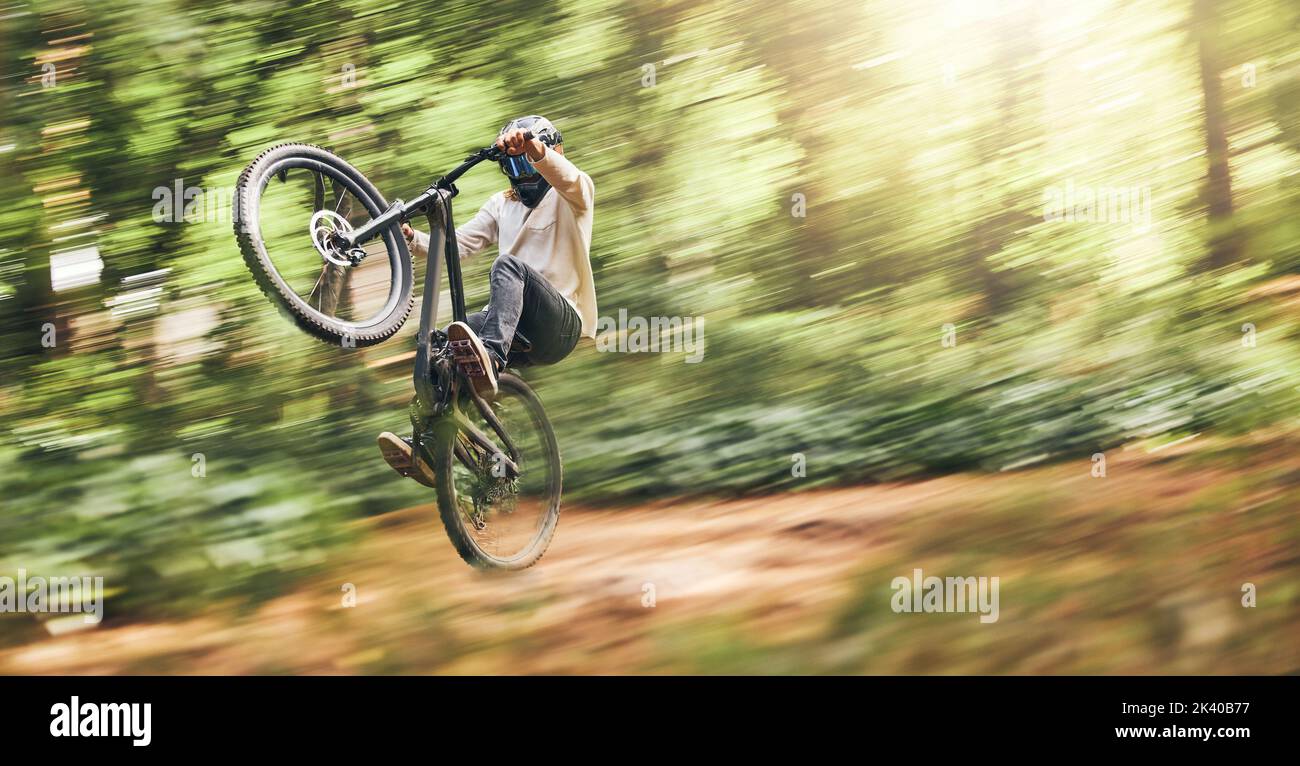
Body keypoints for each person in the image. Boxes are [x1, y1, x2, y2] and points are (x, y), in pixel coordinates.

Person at [377, 115, 597, 486]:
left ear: (551, 152)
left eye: (526, 161)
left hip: (559, 325)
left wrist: (532, 147)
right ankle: (435, 446)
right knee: (441, 341)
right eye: (513, 164)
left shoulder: (573, 194)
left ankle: (490, 359)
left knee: (507, 266)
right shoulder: (501, 204)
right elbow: (457, 245)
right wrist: (413, 238)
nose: (522, 171)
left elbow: (566, 176)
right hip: (514, 328)